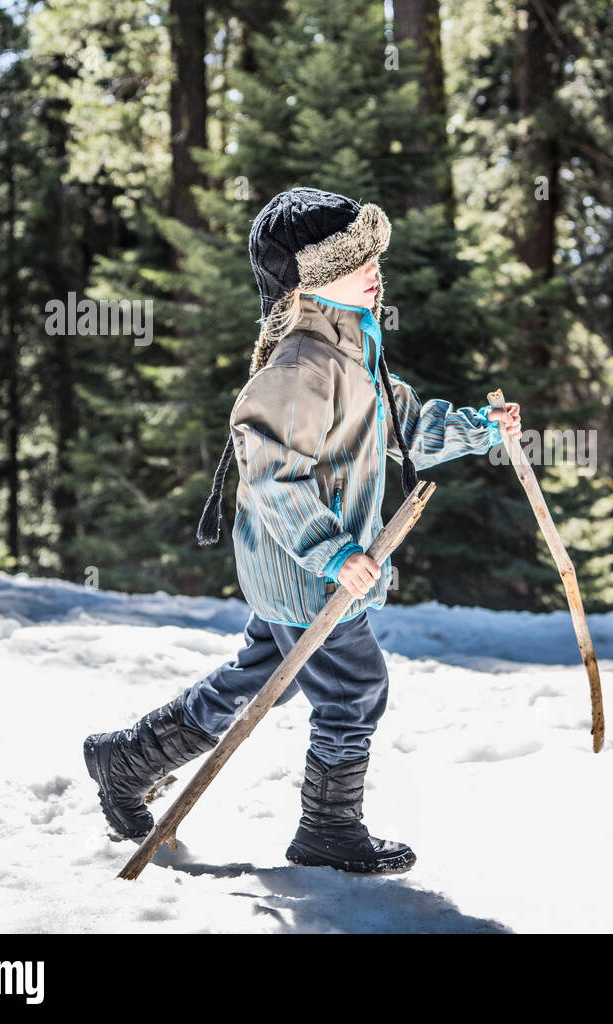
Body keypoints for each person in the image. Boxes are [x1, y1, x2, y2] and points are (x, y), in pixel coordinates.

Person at [83, 188, 522, 875]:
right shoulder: (302, 366)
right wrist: (335, 551)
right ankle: (327, 828)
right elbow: (271, 476)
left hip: (298, 569)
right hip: (306, 571)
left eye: (375, 253)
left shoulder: (354, 347)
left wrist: (480, 429)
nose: (376, 268)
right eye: (356, 259)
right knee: (355, 688)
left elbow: (404, 426)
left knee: (261, 679)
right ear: (309, 279)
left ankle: (125, 761)